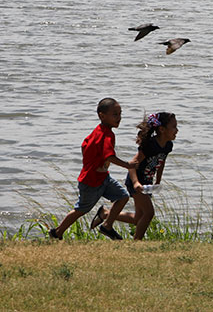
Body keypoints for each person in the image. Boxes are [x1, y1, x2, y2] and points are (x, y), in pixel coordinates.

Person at [49, 97, 136, 241]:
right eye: (115, 114)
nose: (119, 118)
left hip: (103, 178)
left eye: (120, 114)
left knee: (123, 197)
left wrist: (93, 162)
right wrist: (128, 165)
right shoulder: (107, 134)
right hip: (91, 182)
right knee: (81, 210)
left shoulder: (98, 130)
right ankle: (57, 232)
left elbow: (84, 145)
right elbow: (109, 156)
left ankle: (106, 226)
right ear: (102, 116)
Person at [110, 111, 178, 240]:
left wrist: (157, 181)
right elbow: (132, 165)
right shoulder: (150, 145)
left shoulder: (168, 145)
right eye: (174, 127)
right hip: (136, 182)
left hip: (146, 183)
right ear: (162, 129)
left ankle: (105, 213)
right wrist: (136, 182)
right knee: (148, 213)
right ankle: (137, 242)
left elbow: (161, 162)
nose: (177, 130)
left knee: (138, 218)